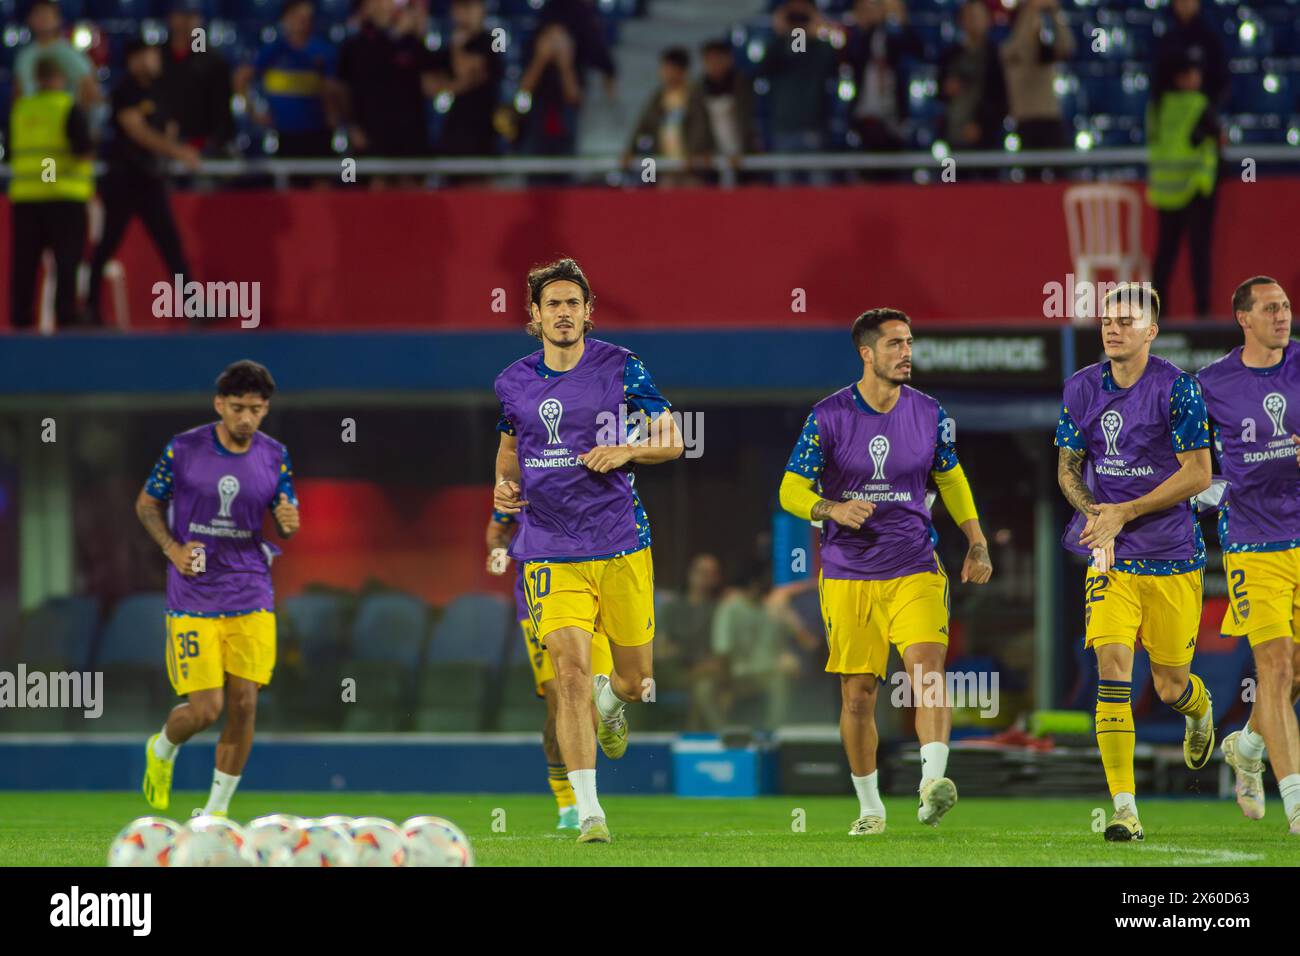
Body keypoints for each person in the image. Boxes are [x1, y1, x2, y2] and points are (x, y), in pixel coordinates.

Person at [779, 308, 993, 836]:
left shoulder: (929, 411)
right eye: (895, 343)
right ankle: (870, 807)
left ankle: (932, 786)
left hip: (915, 564)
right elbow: (789, 491)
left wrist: (977, 541)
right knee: (858, 694)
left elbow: (951, 477)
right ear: (867, 354)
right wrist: (831, 509)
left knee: (927, 671)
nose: (907, 352)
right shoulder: (827, 416)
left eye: (910, 342)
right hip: (849, 574)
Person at [492, 258, 684, 843]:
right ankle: (589, 810)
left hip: (621, 543)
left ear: (588, 313)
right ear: (534, 315)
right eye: (552, 304)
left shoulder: (621, 367)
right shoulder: (512, 382)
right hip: (548, 549)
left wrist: (627, 452)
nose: (564, 313)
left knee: (633, 681)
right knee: (568, 676)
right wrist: (504, 492)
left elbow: (674, 440)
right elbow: (508, 452)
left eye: (573, 303)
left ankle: (613, 699)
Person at [1055, 283, 1214, 842]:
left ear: (1152, 331)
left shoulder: (1179, 389)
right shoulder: (1080, 388)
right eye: (1106, 319)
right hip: (1110, 556)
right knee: (1112, 666)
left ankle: (1198, 711)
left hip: (1171, 555)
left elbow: (1199, 473)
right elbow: (1067, 469)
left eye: (1126, 320)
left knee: (1170, 686)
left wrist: (1129, 510)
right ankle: (1125, 809)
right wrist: (1097, 513)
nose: (1112, 327)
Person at [138, 361, 300, 819]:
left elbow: (287, 510)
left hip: (250, 591)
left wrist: (289, 521)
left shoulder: (275, 455)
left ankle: (215, 812)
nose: (246, 418)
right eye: (237, 408)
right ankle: (163, 747)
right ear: (219, 405)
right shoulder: (184, 449)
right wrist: (172, 549)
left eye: (255, 409)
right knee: (205, 710)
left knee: (245, 702)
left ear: (266, 408)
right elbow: (148, 502)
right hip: (193, 595)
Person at [1197, 276, 1300, 835]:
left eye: (1285, 307)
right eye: (1270, 308)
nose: (1282, 316)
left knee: (1295, 673)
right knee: (1276, 666)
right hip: (1253, 542)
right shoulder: (1211, 384)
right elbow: (1186, 460)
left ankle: (1250, 746)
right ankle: (1297, 805)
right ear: (1243, 318)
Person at [486, 510, 614, 830]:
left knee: (594, 702)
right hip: (541, 598)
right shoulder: (524, 474)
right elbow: (497, 529)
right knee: (562, 695)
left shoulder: (598, 469)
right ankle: (568, 805)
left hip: (597, 591)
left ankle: (613, 709)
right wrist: (499, 550)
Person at [85, 39, 200, 327]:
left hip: (149, 180)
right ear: (135, 59)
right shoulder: (126, 91)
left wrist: (172, 138)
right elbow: (138, 131)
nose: (154, 60)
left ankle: (194, 308)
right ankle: (89, 308)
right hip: (123, 180)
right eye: (148, 55)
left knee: (170, 244)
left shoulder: (158, 92)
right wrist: (177, 152)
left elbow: (166, 127)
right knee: (107, 245)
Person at [7, 57, 94, 331]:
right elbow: (83, 149)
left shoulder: (20, 109)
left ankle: (20, 318)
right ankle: (65, 316)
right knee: (66, 260)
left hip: (27, 197)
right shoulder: (67, 107)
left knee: (24, 263)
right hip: (63, 196)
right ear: (60, 77)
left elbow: (10, 150)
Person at [1147, 56, 1219, 320]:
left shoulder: (1156, 107)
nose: (1195, 78)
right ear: (1179, 77)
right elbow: (1218, 139)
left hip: (1165, 190)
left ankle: (1156, 314)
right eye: (1190, 72)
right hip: (1196, 189)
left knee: (1164, 255)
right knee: (1198, 255)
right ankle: (1202, 314)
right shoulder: (1198, 104)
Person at [235, 0, 342, 160]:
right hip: (285, 135)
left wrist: (333, 114)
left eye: (307, 18)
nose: (301, 23)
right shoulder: (273, 50)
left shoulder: (324, 52)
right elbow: (240, 78)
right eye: (297, 17)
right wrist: (253, 112)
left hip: (318, 133)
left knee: (321, 181)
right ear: (285, 19)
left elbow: (333, 92)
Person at [338, 0, 438, 159]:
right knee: (376, 180)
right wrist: (352, 125)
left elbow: (431, 76)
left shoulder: (410, 42)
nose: (386, 5)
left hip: (409, 132)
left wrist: (419, 35)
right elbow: (343, 89)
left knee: (409, 180)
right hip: (370, 132)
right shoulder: (354, 45)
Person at [759, 0, 838, 185]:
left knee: (819, 189)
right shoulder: (779, 48)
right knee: (786, 193)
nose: (797, 21)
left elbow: (828, 61)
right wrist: (782, 32)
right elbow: (768, 64)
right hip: (785, 127)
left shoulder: (818, 49)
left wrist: (816, 29)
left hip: (812, 126)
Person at [841, 0, 923, 155]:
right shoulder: (860, 37)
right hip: (865, 114)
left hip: (893, 115)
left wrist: (900, 20)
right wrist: (862, 27)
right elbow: (849, 57)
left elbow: (917, 49)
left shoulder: (894, 35)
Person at [657, 553, 724, 730]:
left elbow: (720, 654)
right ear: (690, 573)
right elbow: (661, 649)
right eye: (701, 571)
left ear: (716, 579)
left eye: (711, 573)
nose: (704, 577)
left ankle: (706, 740)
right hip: (672, 670)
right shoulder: (672, 608)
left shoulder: (718, 610)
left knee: (704, 687)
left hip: (706, 671)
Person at [160, 0, 236, 157]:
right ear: (172, 18)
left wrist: (217, 142)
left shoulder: (212, 61)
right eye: (183, 15)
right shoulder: (158, 57)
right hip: (163, 145)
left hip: (202, 149)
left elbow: (222, 111)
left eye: (194, 16)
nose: (188, 22)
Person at [430, 0, 503, 159]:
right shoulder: (447, 48)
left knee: (479, 181)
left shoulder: (489, 42)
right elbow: (430, 86)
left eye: (469, 8)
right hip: (455, 133)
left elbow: (465, 72)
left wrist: (457, 48)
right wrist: (459, 85)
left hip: (482, 132)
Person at [999, 0, 1074, 152]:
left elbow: (1067, 46)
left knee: (1062, 172)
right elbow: (1019, 47)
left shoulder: (1046, 51)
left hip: (1050, 121)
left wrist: (1054, 12)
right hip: (1025, 123)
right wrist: (1030, 9)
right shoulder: (1008, 51)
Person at [624, 47, 702, 185]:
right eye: (664, 68)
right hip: (665, 166)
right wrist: (630, 150)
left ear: (682, 70)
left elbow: (702, 128)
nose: (665, 73)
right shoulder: (658, 98)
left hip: (692, 167)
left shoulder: (695, 95)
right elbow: (643, 126)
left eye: (670, 68)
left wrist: (697, 152)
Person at [938, 0, 1008, 152]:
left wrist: (982, 126)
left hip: (986, 141)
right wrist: (946, 89)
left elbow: (1001, 99)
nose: (973, 21)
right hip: (952, 138)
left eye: (977, 16)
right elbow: (938, 92)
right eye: (969, 16)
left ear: (988, 20)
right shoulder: (950, 55)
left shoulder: (995, 57)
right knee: (950, 175)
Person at [13, 0, 99, 106]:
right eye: (38, 14)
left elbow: (91, 90)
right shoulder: (24, 56)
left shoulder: (70, 53)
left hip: (65, 115)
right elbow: (18, 95)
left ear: (58, 19)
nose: (43, 19)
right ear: (29, 19)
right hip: (33, 117)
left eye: (47, 14)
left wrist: (75, 116)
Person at [1152, 0, 1229, 110]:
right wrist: (1178, 82)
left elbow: (1221, 79)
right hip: (1172, 112)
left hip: (1204, 115)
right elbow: (1158, 82)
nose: (1185, 4)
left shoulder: (1210, 39)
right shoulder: (1167, 40)